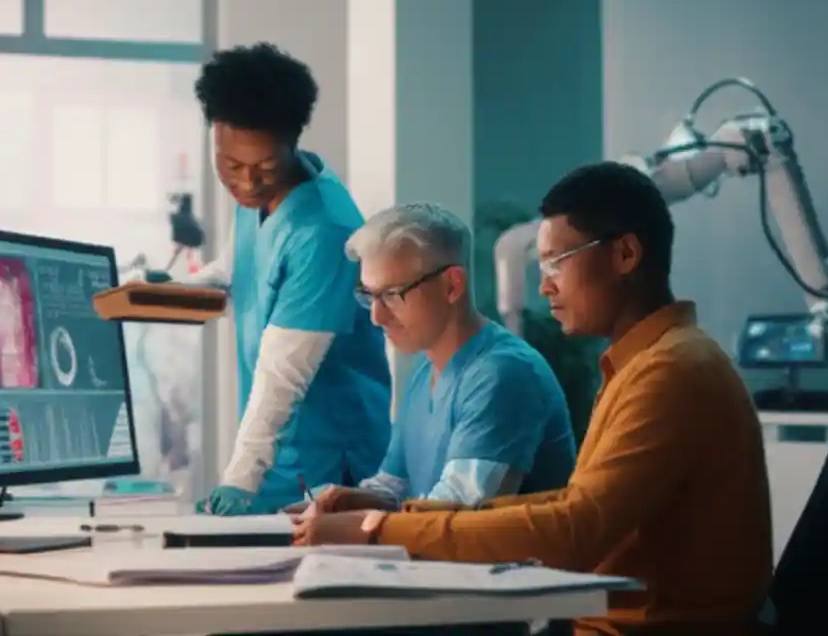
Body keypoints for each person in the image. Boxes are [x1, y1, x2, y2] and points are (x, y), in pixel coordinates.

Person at [293, 162, 774, 635]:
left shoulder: (672, 371)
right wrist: (389, 518)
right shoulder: (643, 363)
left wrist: (377, 529)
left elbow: (575, 532)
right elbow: (573, 507)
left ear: (625, 254)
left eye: (556, 264)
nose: (544, 285)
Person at [190, 43, 392, 515]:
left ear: (292, 142)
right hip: (280, 459)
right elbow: (241, 267)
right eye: (230, 166)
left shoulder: (324, 232)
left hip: (327, 466)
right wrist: (169, 290)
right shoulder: (261, 198)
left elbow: (285, 373)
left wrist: (240, 479)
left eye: (263, 167)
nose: (247, 183)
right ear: (215, 136)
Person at [290, 203, 575, 515]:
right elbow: (394, 486)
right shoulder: (425, 369)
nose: (376, 316)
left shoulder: (503, 374)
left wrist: (355, 524)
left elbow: (455, 515)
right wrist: (342, 502)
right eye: (369, 296)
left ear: (452, 285)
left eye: (391, 295)